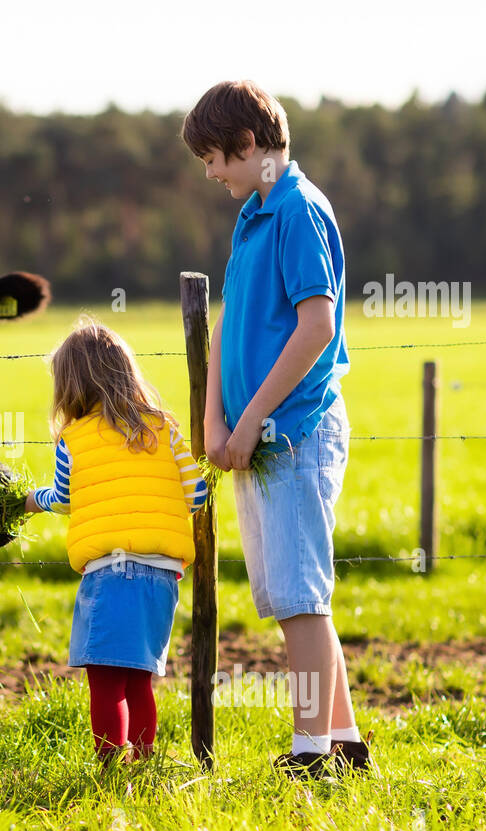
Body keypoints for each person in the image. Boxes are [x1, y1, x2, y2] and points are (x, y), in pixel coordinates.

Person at [181, 79, 371, 776]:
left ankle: (309, 756)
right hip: (254, 436)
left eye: (215, 158)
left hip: (293, 433)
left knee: (300, 600)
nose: (211, 173)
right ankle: (346, 745)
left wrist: (253, 418)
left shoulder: (298, 210)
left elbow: (317, 326)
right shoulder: (256, 211)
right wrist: (214, 417)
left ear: (250, 144)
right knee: (295, 596)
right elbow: (233, 316)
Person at [26, 320, 209, 766]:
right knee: (139, 678)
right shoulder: (163, 427)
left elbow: (65, 499)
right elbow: (198, 493)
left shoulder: (75, 438)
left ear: (70, 386)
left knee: (104, 680)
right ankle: (143, 759)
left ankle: (108, 765)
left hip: (111, 572)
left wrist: (32, 500)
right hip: (163, 575)